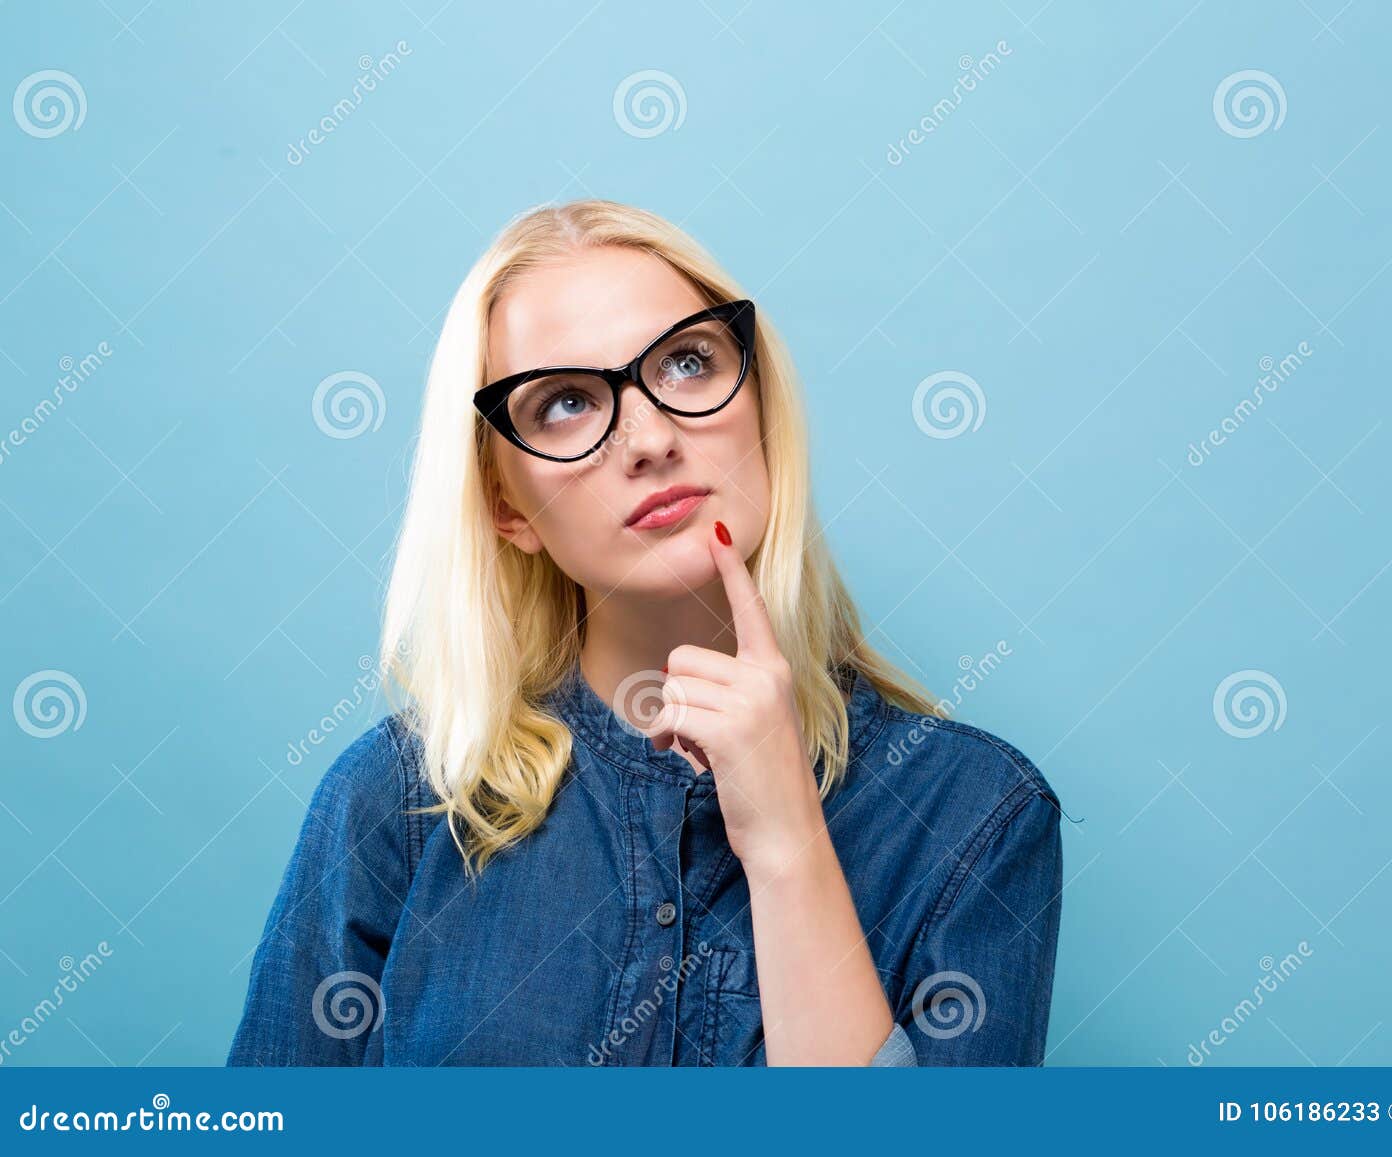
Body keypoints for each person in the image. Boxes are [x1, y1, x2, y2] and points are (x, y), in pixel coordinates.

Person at [227, 199, 1063, 1066]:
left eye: (689, 362)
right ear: (506, 504)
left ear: (763, 401)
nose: (651, 439)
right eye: (562, 404)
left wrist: (785, 844)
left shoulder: (976, 815)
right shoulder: (396, 805)